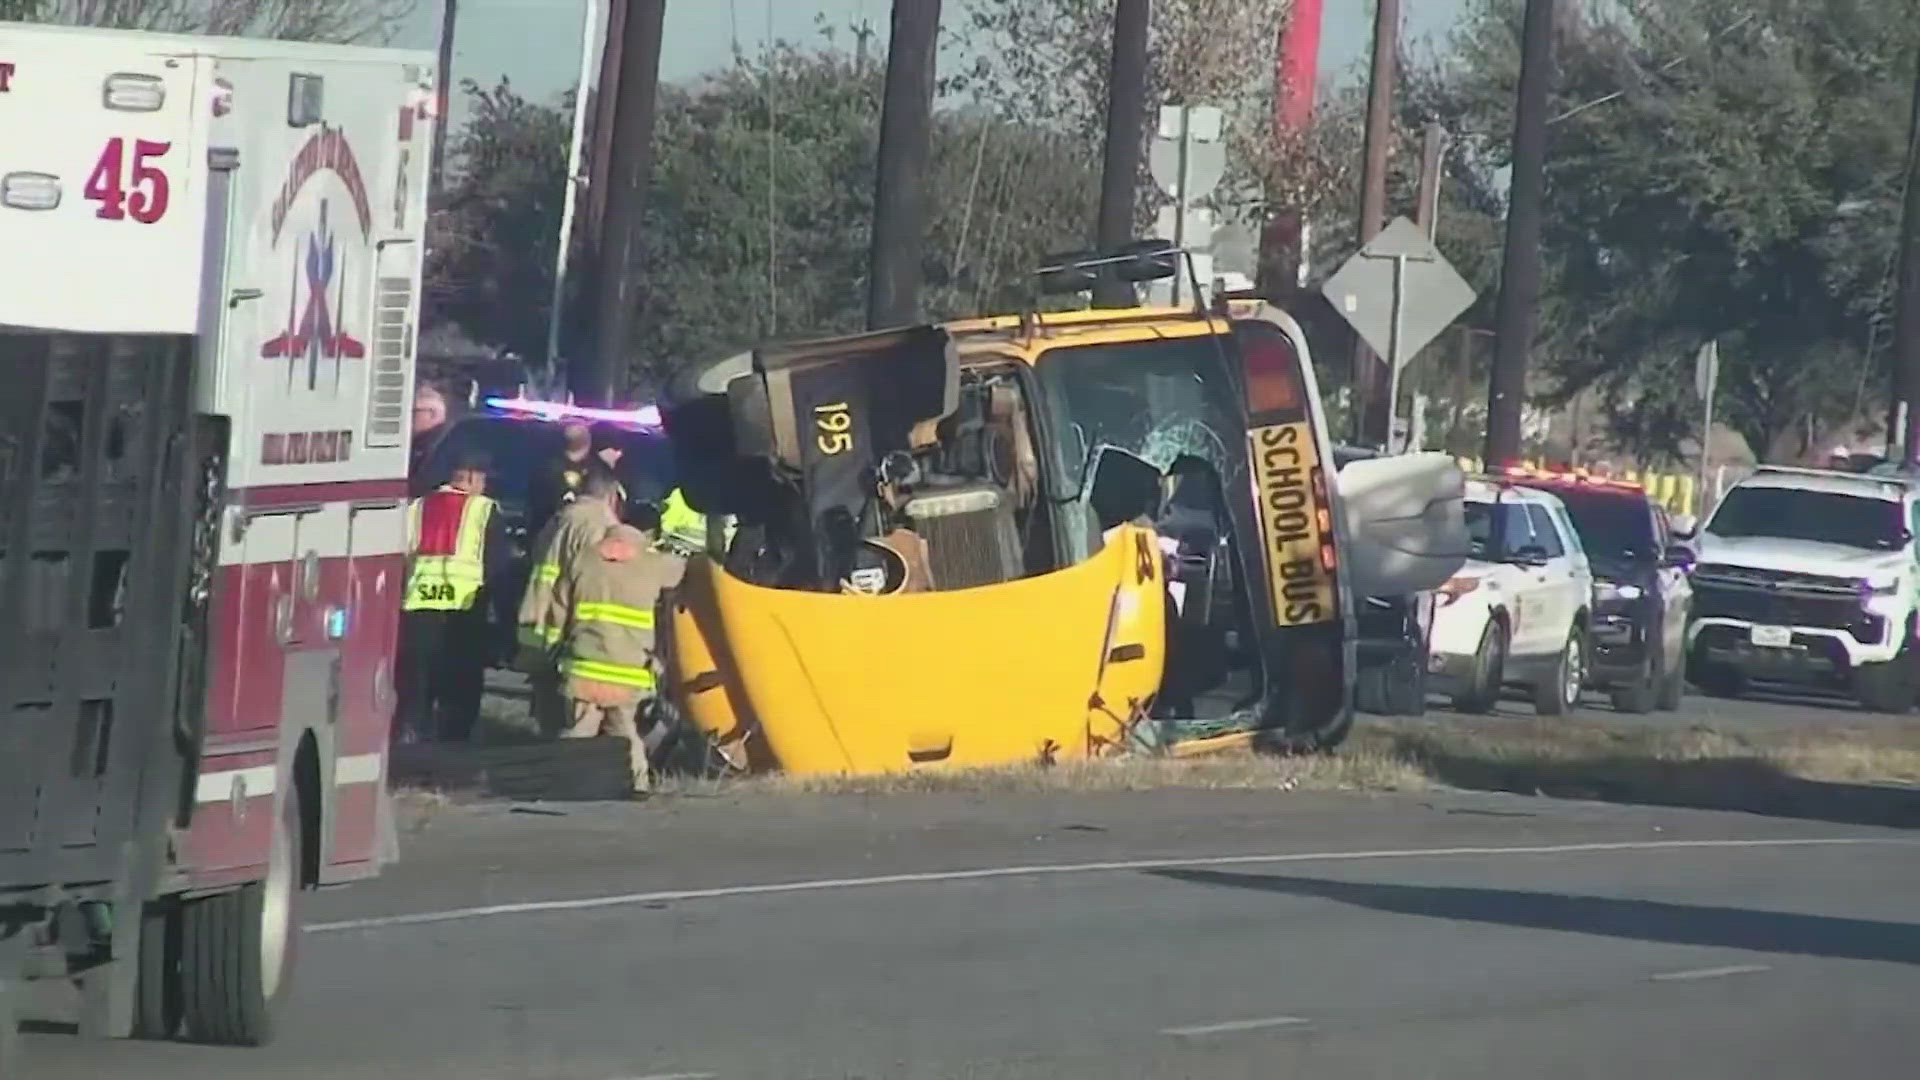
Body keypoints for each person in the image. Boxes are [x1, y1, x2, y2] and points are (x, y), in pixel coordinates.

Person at [554, 523, 686, 795]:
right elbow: (685, 571)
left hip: (584, 666)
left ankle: (564, 781)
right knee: (626, 734)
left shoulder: (583, 559)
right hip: (626, 672)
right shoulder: (651, 564)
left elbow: (559, 605)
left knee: (579, 731)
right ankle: (637, 784)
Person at [398, 454, 507, 744]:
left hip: (418, 605)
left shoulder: (416, 507)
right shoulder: (484, 510)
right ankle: (453, 742)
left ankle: (411, 735)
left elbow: (401, 555)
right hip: (464, 611)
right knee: (461, 682)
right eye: (483, 479)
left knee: (417, 680)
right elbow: (496, 564)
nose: (485, 485)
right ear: (470, 477)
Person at [518, 470, 624, 734]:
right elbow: (598, 576)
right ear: (611, 496)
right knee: (582, 707)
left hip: (542, 622)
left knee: (548, 696)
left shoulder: (559, 518)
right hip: (577, 623)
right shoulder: (599, 524)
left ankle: (549, 748)